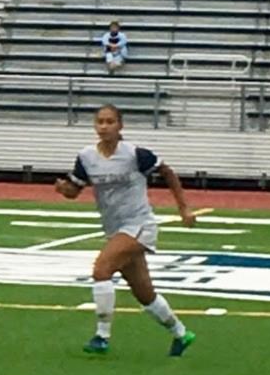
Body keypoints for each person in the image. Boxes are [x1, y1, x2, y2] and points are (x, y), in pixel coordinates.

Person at [54, 104, 197, 357]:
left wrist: (183, 209)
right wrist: (64, 190)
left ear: (120, 126)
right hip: (114, 228)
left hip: (139, 225)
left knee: (101, 269)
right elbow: (74, 191)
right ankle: (181, 333)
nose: (105, 126)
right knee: (145, 294)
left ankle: (102, 336)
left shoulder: (134, 154)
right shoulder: (87, 157)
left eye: (110, 122)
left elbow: (167, 172)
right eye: (100, 122)